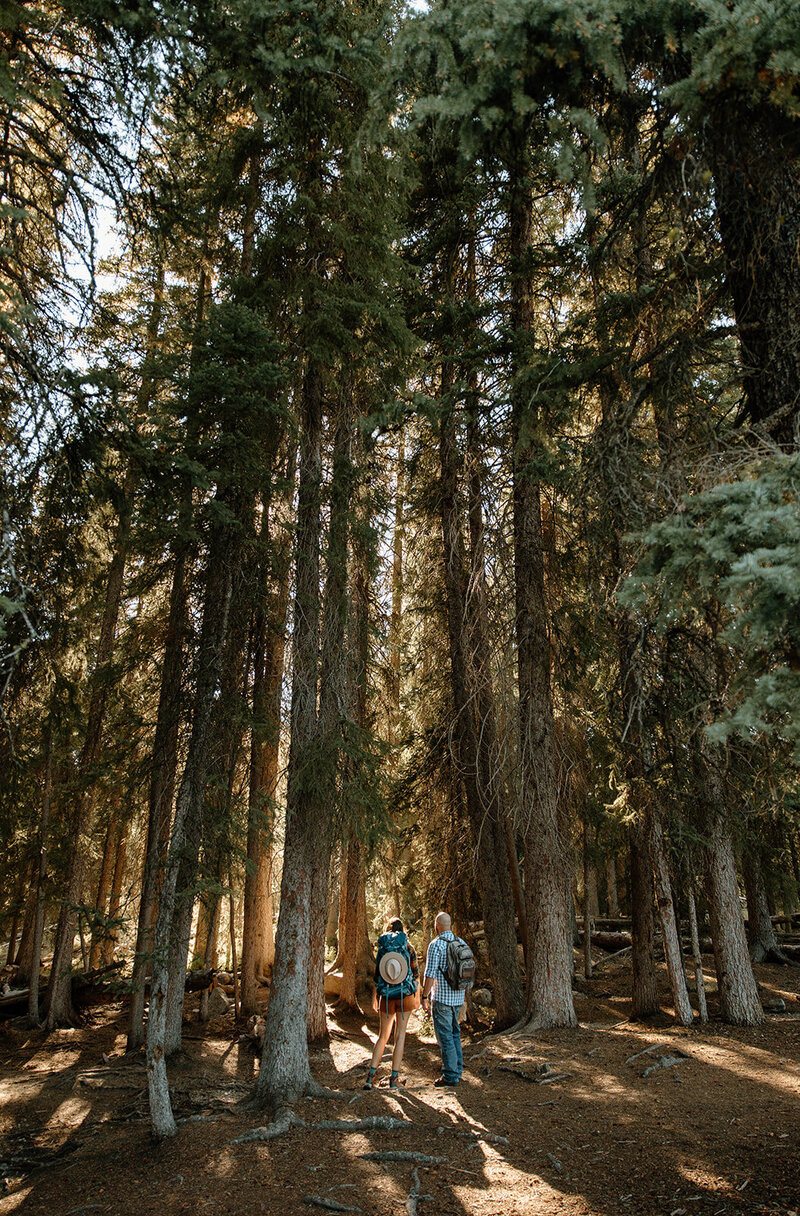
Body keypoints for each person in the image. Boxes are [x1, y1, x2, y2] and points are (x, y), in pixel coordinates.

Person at [363, 917, 419, 1091]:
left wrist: (375, 997)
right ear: (404, 931)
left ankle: (370, 1078)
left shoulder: (383, 949)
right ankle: (394, 1080)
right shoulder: (409, 948)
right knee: (400, 1035)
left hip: (386, 996)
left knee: (382, 1036)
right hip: (405, 996)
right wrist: (417, 997)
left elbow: (377, 976)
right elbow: (415, 974)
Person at [421, 911, 464, 1087]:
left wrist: (424, 995)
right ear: (450, 924)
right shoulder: (461, 942)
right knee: (455, 1034)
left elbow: (430, 974)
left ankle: (450, 1076)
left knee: (445, 1036)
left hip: (442, 999)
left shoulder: (436, 944)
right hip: (458, 998)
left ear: (437, 926)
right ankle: (457, 1069)